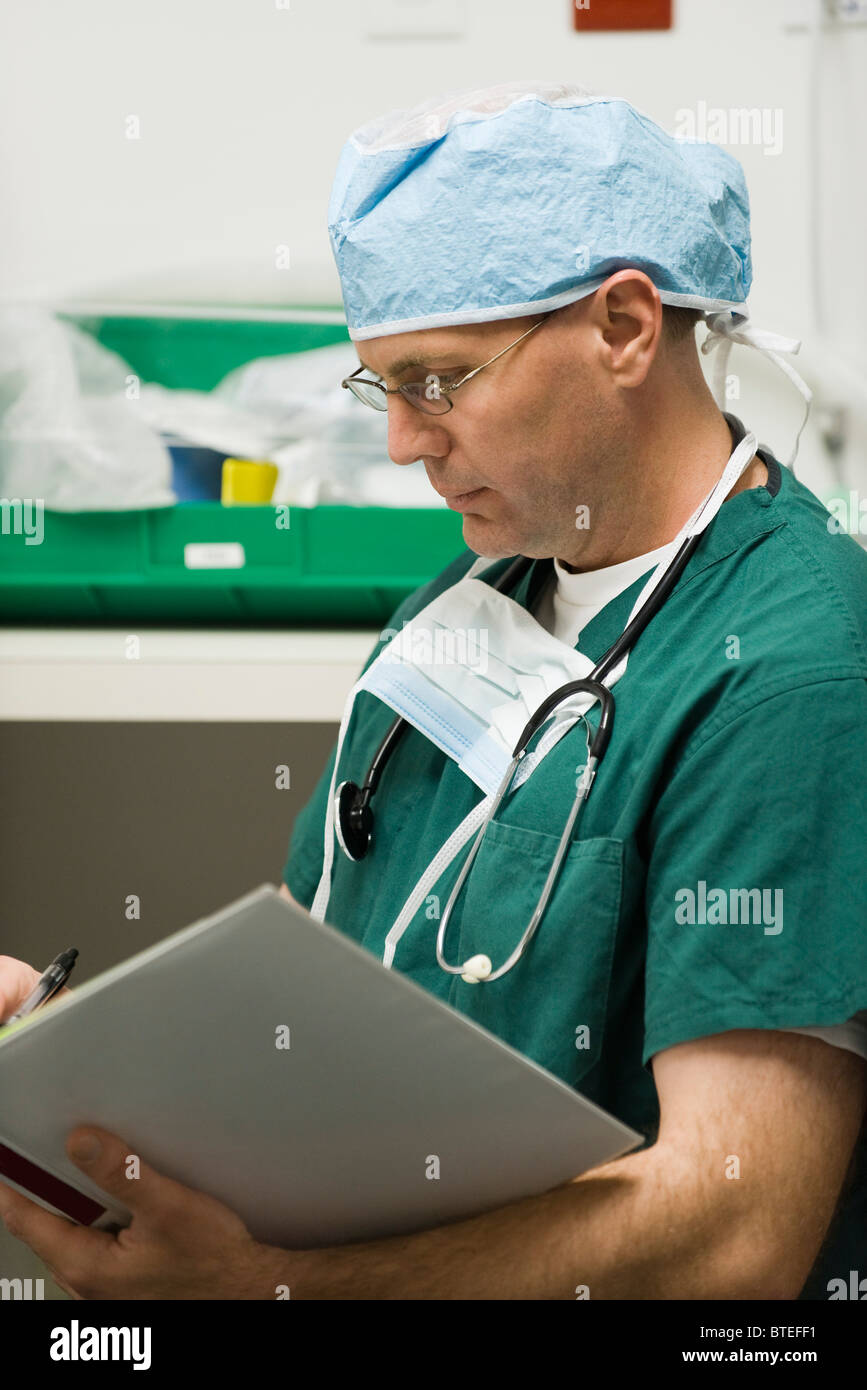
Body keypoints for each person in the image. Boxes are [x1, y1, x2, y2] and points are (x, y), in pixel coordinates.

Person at [1, 81, 865, 1301]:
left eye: (439, 381)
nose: (403, 443)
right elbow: (323, 1003)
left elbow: (733, 1233)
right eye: (383, 388)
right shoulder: (468, 599)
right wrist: (78, 1058)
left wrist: (273, 1290)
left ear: (624, 325)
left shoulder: (790, 671)